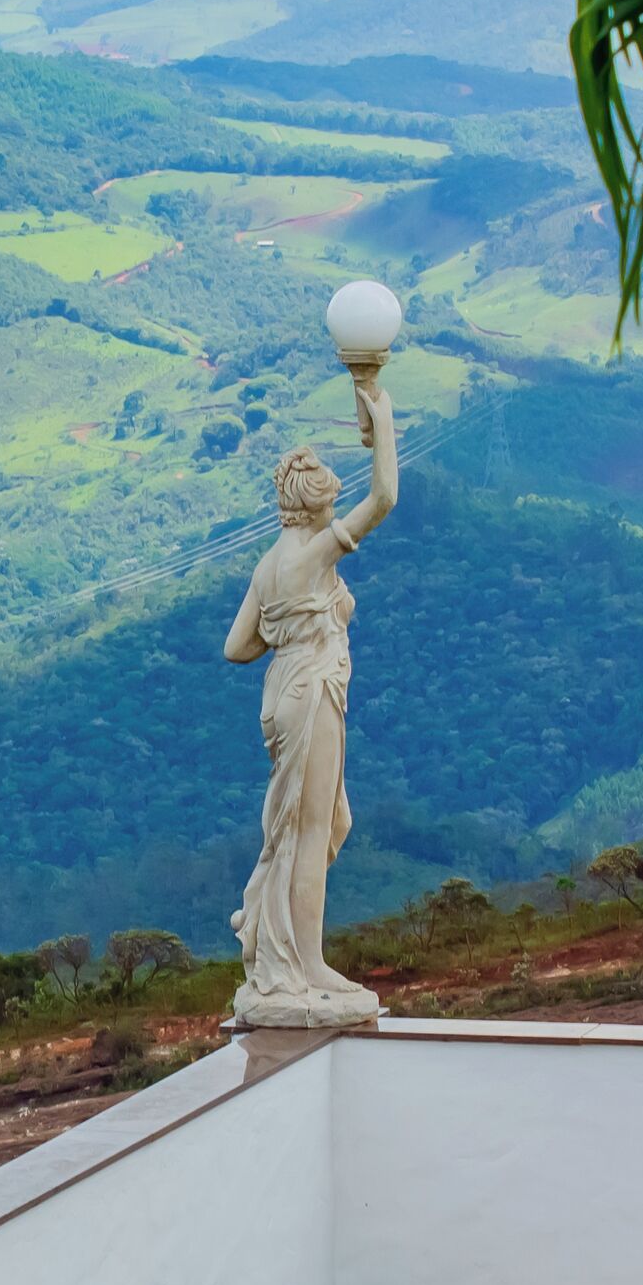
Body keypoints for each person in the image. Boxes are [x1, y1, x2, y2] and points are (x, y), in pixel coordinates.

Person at [223, 379, 399, 1025]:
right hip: (313, 690)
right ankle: (302, 963)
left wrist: (292, 629)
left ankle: (270, 925)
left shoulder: (273, 563)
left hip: (284, 694)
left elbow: (238, 646)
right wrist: (383, 428)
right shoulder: (314, 552)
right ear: (319, 508)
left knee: (320, 825)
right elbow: (383, 498)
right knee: (308, 830)